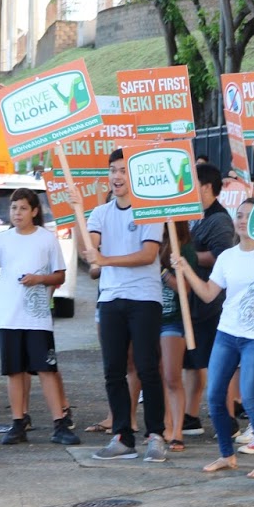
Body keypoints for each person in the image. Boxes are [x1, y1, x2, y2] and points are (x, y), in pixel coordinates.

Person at [0, 188, 79, 446]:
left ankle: (59, 423)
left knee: (46, 369)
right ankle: (17, 422)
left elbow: (60, 275)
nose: (17, 213)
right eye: (13, 208)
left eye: (23, 208)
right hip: (9, 317)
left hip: (37, 319)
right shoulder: (3, 240)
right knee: (14, 371)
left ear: (35, 211)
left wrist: (39, 279)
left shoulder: (47, 239)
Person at [173, 198, 254, 479]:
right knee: (214, 395)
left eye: (249, 215)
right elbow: (209, 293)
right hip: (227, 333)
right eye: (239, 215)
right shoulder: (226, 257)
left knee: (249, 396)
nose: (243, 220)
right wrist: (185, 269)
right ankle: (227, 454)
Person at [75, 149, 168, 463]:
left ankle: (156, 435)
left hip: (144, 299)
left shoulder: (149, 212)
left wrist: (106, 260)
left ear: (135, 176)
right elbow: (89, 250)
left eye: (123, 171)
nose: (116, 177)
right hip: (111, 299)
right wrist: (76, 214)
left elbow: (147, 255)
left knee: (147, 367)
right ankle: (121, 436)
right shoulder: (101, 213)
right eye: (113, 170)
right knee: (113, 371)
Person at [182, 163, 237, 438]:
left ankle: (227, 420)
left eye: (192, 182)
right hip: (192, 301)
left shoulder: (219, 219)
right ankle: (191, 416)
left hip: (211, 303)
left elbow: (221, 256)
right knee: (192, 363)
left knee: (216, 365)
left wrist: (187, 259)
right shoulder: (193, 215)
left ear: (205, 187)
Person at [158, 220, 198, 451]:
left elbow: (184, 287)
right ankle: (165, 425)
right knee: (158, 375)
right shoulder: (151, 243)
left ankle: (177, 431)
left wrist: (162, 270)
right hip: (150, 318)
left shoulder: (185, 249)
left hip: (173, 320)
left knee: (172, 376)